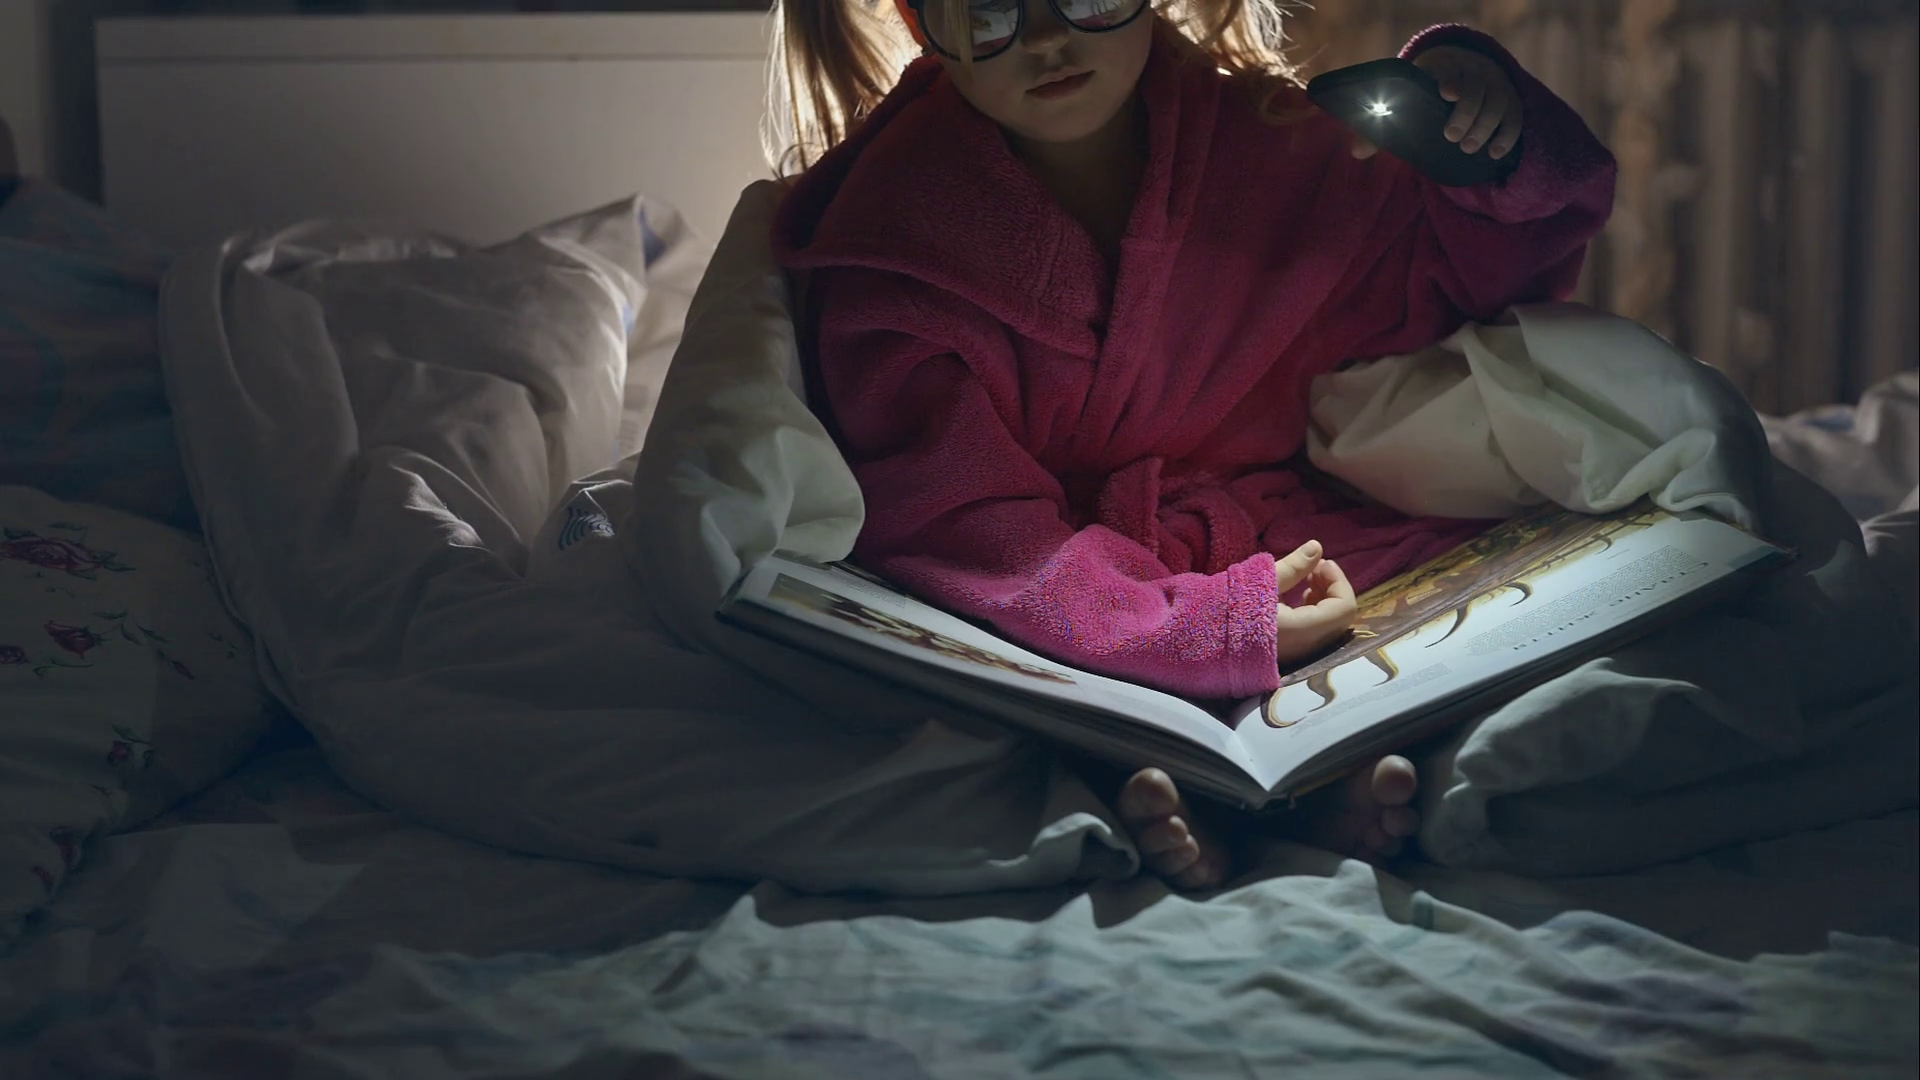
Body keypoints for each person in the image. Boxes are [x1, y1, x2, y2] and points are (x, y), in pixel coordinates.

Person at [769, 0, 1616, 888]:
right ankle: (1179, 780)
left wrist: (1490, 140)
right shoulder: (891, 241)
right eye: (987, 10)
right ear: (917, 19)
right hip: (1066, 580)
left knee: (1473, 625)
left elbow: (1457, 290)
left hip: (1286, 534)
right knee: (1006, 690)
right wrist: (1201, 628)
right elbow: (956, 519)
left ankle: (1316, 773)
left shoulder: (1265, 146)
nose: (1048, 40)